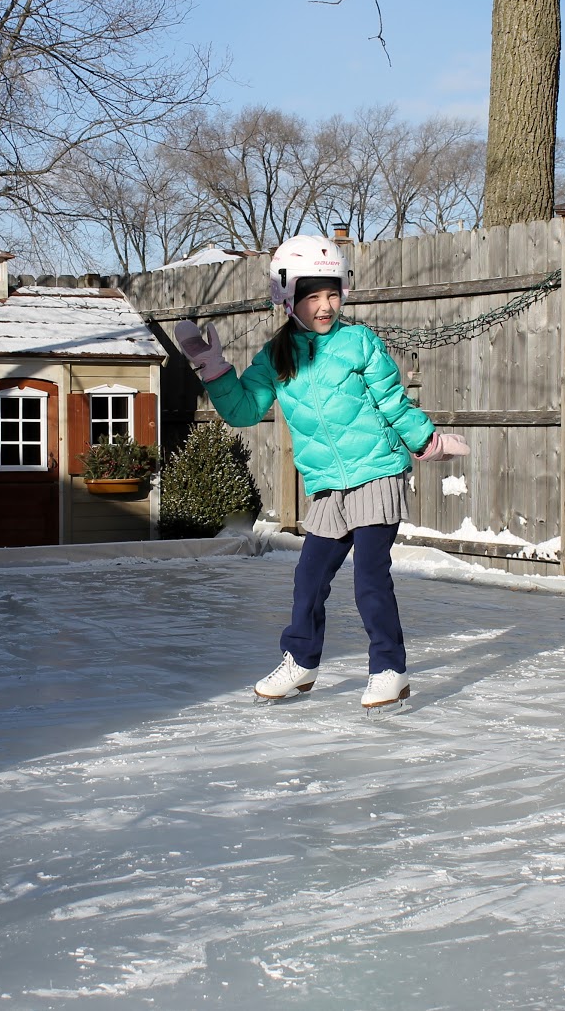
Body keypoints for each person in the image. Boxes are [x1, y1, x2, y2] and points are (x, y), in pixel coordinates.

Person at [173, 234, 469, 710]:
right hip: (328, 486)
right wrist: (213, 368)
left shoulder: (358, 342)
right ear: (288, 298)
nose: (325, 305)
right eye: (312, 295)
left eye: (332, 292)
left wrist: (426, 440)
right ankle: (301, 662)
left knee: (370, 578)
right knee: (308, 580)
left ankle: (389, 669)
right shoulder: (277, 357)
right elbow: (246, 410)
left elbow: (392, 401)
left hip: (376, 472)